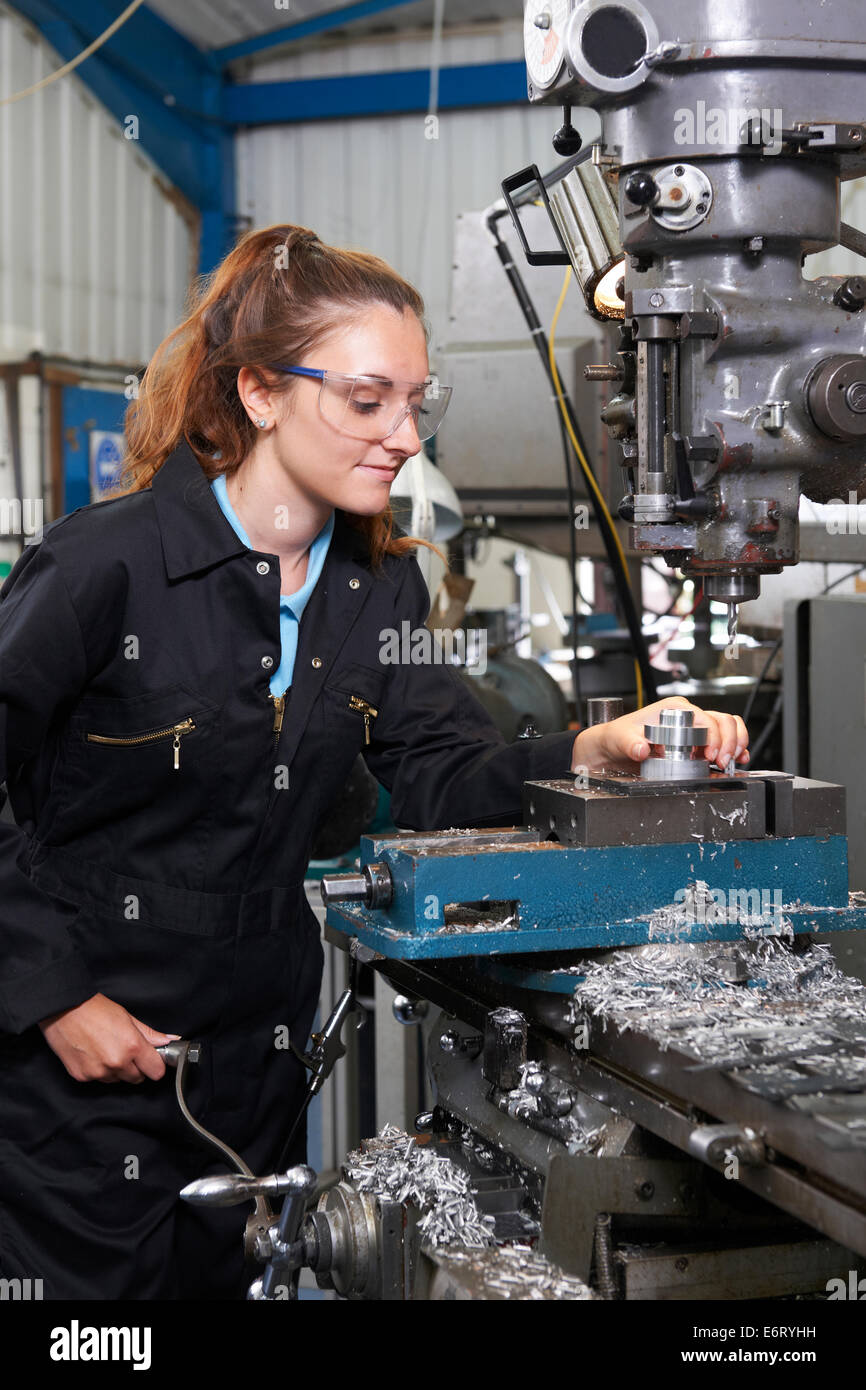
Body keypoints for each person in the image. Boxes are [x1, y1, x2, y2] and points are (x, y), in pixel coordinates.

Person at [0, 223, 749, 1300]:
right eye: (366, 400)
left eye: (416, 403)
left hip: (250, 1066)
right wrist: (55, 996)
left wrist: (593, 745)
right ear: (259, 391)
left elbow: (441, 769)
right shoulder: (106, 566)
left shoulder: (377, 588)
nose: (403, 435)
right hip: (79, 1072)